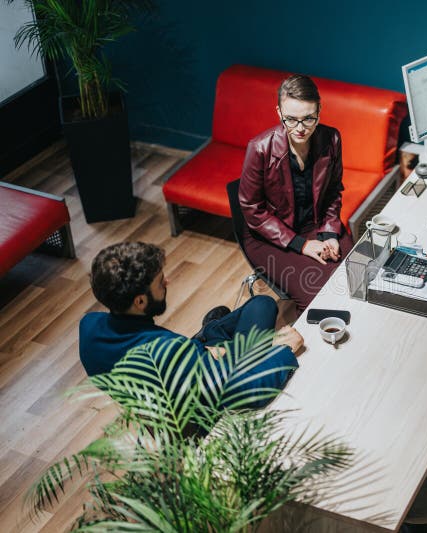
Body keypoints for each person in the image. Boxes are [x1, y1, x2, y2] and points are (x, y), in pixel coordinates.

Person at [79, 242, 303, 407]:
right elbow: (249, 391)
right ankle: (211, 329)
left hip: (191, 366)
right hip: (205, 399)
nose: (167, 282)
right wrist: (284, 348)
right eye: (160, 282)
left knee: (257, 305)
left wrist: (198, 354)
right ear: (139, 301)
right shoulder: (169, 352)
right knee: (262, 306)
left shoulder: (88, 326)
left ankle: (209, 331)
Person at [239, 74, 354, 310]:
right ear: (279, 112)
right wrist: (301, 244)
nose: (300, 129)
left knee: (355, 276)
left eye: (309, 119)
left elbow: (333, 191)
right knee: (317, 299)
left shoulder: (331, 138)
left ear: (320, 110)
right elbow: (253, 211)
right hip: (270, 235)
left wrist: (330, 232)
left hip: (317, 223)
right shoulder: (259, 148)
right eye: (291, 119)